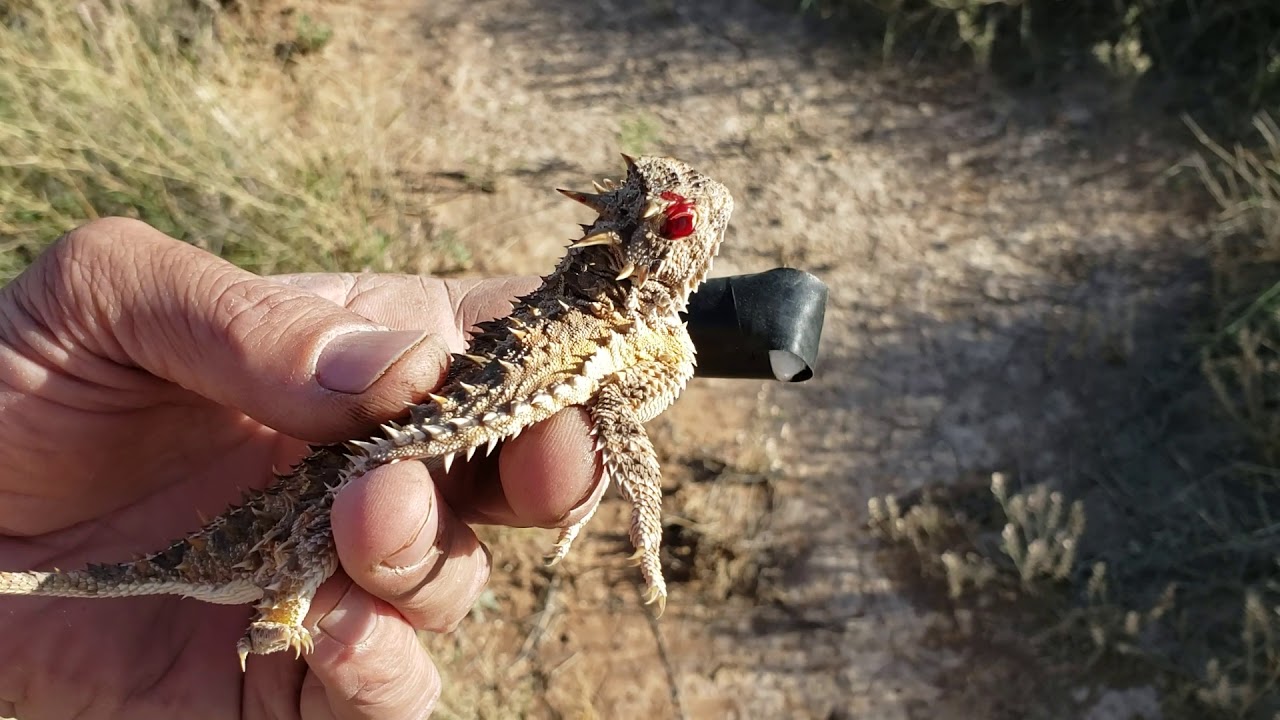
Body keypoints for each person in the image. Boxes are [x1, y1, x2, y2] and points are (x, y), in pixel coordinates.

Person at [0, 217, 603, 719]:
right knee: (332, 526)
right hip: (277, 534)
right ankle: (279, 615)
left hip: (278, 519)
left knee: (364, 524)